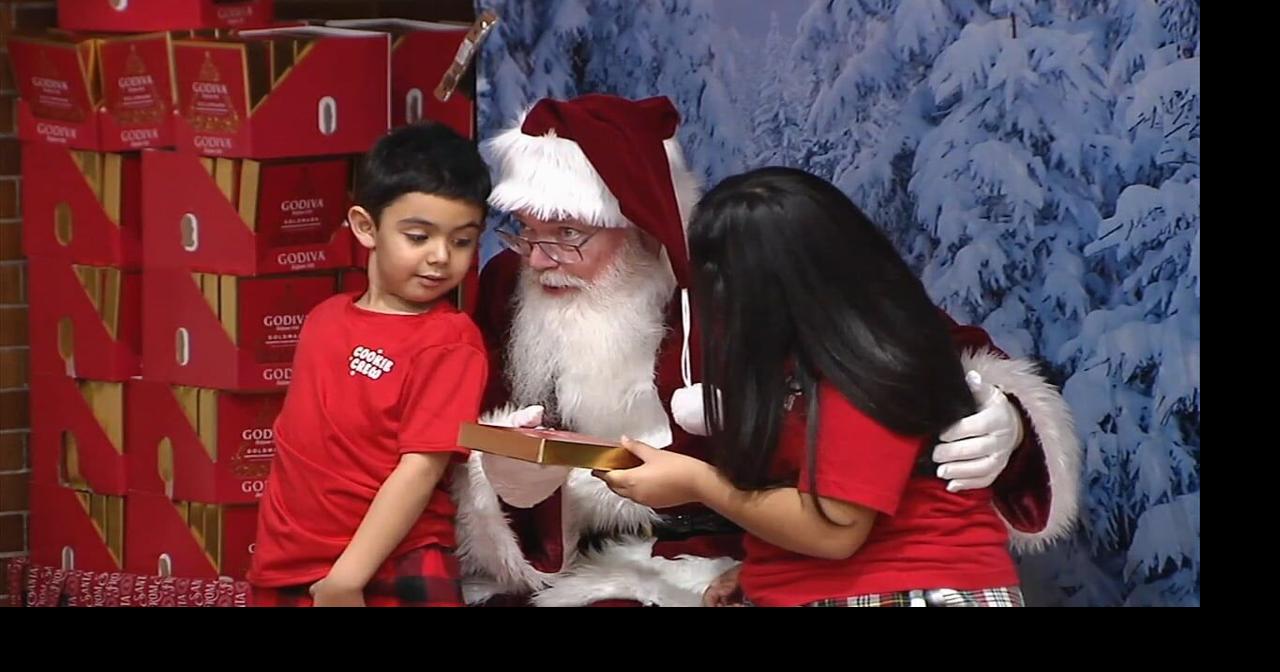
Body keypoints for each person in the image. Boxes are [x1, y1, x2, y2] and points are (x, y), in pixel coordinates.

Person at [452, 94, 1079, 607]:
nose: (540, 259)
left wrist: (1012, 424)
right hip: (711, 570)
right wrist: (513, 481)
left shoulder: (849, 354)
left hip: (842, 574)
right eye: (525, 234)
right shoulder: (511, 293)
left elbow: (837, 524)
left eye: (569, 235)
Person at [599, 166, 1031, 607]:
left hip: (906, 591)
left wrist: (698, 482)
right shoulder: (801, 360)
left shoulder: (867, 364)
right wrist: (766, 566)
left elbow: (833, 530)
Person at [248, 122, 492, 607]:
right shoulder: (323, 320)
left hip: (391, 562)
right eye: (419, 236)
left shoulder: (450, 340)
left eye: (462, 241)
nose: (441, 257)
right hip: (286, 562)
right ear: (366, 227)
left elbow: (421, 467)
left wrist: (347, 576)